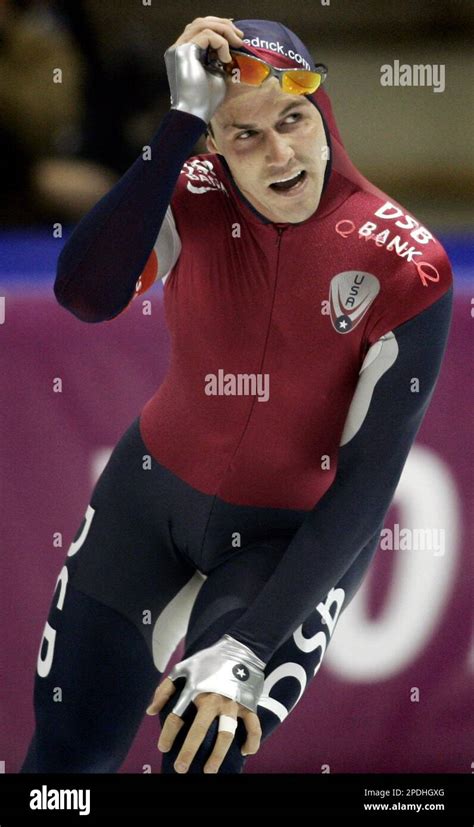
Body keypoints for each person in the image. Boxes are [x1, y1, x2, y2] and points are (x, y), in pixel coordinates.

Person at [21, 16, 453, 775]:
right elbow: (85, 294)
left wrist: (250, 646)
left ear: (323, 107)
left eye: (292, 119)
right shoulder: (190, 192)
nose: (281, 154)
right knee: (65, 760)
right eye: (245, 135)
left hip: (284, 543)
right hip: (147, 502)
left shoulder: (407, 266)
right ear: (214, 147)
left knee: (200, 755)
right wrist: (179, 120)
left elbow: (365, 489)